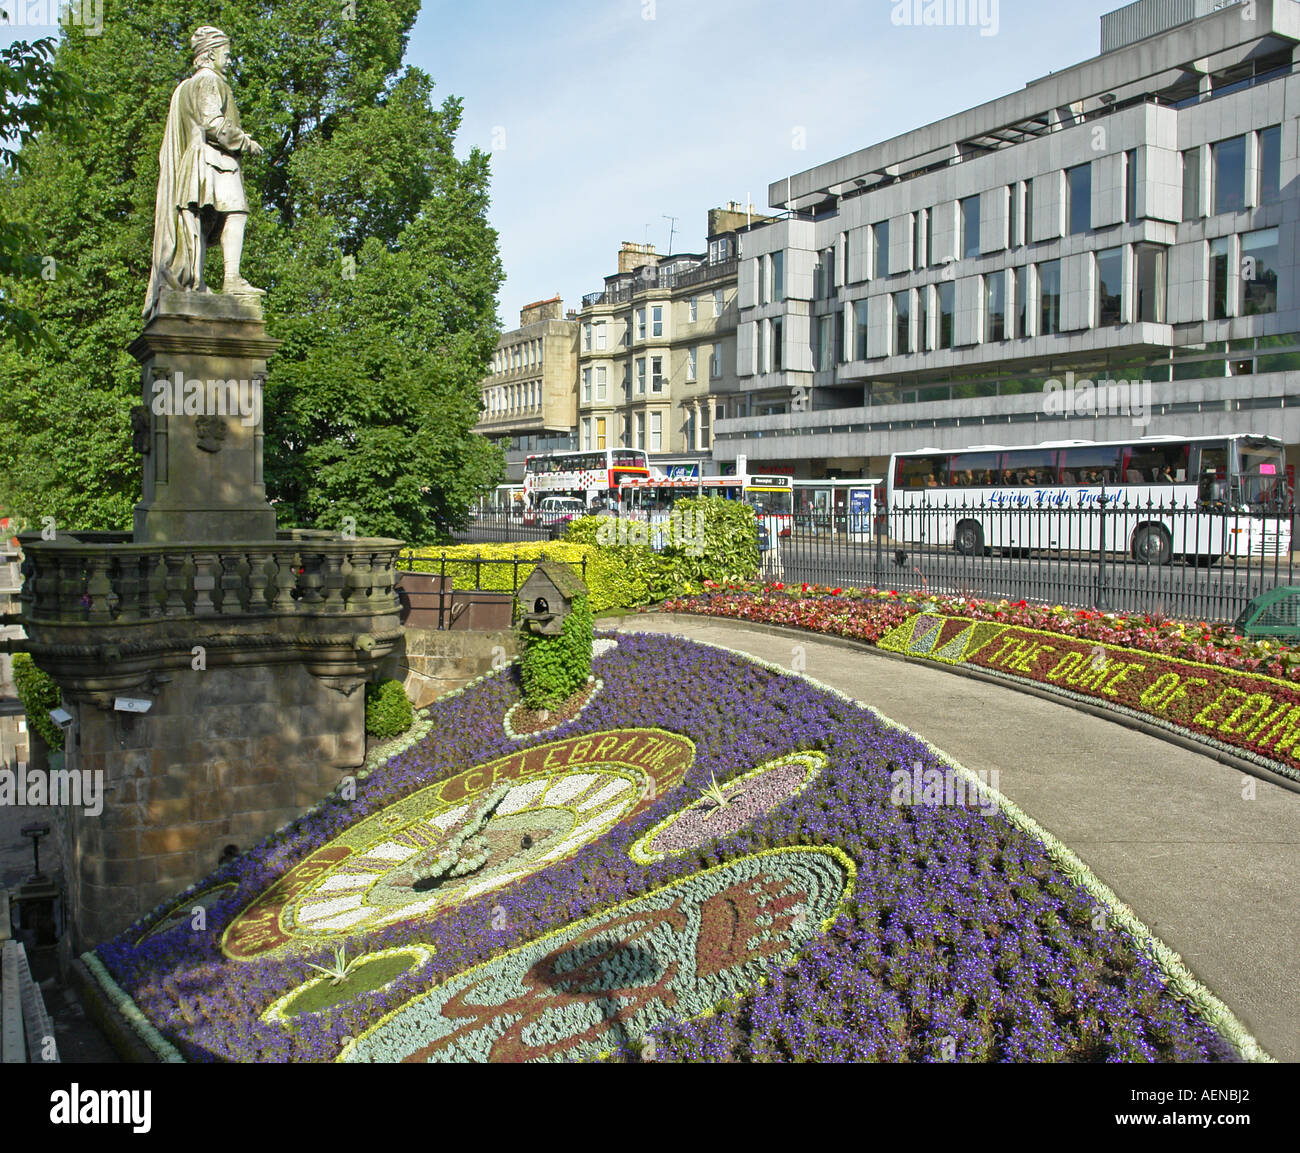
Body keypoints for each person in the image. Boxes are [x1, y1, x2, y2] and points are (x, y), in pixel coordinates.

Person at [144, 26, 265, 317]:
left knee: (200, 222)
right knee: (235, 213)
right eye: (226, 54)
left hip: (194, 163)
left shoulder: (183, 88)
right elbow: (213, 123)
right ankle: (231, 279)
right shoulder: (210, 81)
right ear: (211, 54)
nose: (230, 60)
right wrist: (245, 142)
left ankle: (195, 284)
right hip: (213, 161)